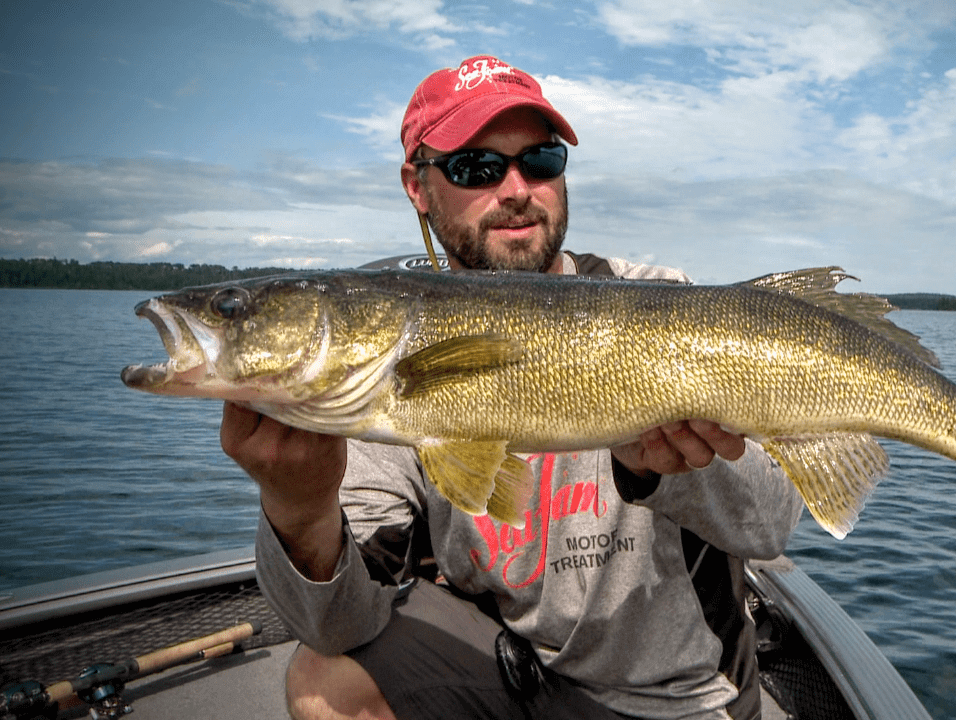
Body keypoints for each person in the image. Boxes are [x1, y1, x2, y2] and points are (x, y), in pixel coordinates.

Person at [223, 55, 803, 720]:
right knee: (326, 685)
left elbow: (770, 520)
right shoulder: (380, 358)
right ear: (418, 184)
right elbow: (338, 628)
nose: (518, 187)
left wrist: (662, 471)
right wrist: (299, 509)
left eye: (542, 159)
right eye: (477, 167)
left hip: (680, 702)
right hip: (520, 677)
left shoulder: (665, 302)